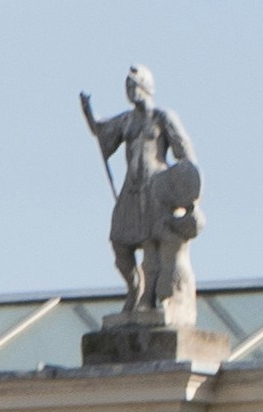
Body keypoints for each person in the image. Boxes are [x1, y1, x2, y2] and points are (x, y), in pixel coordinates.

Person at [77, 67, 204, 329]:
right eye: (127, 85)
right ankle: (134, 288)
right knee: (119, 242)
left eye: (134, 85)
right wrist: (89, 112)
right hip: (132, 190)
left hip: (156, 188)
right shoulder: (127, 121)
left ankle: (149, 300)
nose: (130, 90)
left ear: (146, 86)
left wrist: (187, 195)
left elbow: (186, 156)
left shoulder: (162, 117)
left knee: (152, 248)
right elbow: (102, 131)